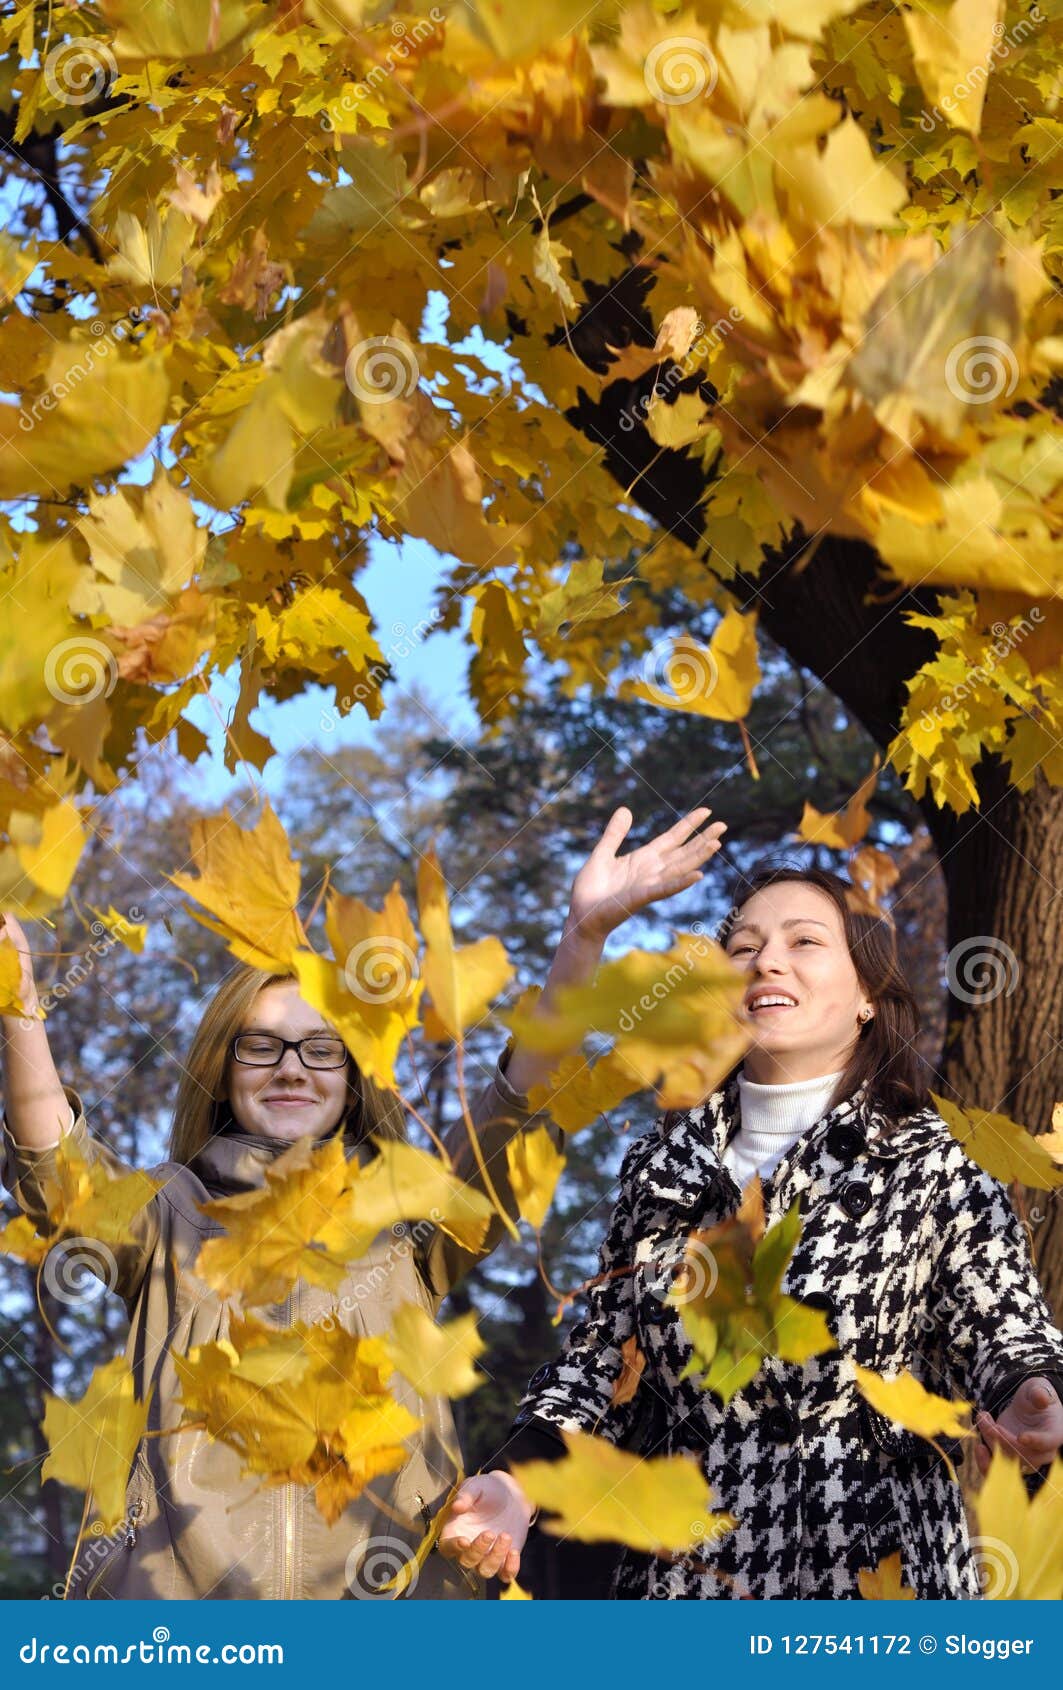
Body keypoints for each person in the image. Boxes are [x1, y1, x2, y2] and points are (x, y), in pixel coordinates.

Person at [0, 805, 723, 1600]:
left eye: (321, 1050)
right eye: (261, 1046)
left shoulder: (407, 1215)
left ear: (352, 1077)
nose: (291, 1069)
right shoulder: (169, 1213)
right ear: (222, 1064)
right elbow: (55, 1170)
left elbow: (512, 1100)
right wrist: (18, 1003)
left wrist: (581, 939)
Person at [439, 836, 1063, 1598]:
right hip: (677, 1583)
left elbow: (1000, 1328)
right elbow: (600, 1364)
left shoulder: (936, 1158)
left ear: (869, 993)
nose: (767, 961)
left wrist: (1034, 1392)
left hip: (869, 1574)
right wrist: (517, 1482)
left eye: (804, 941)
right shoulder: (660, 1170)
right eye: (742, 946)